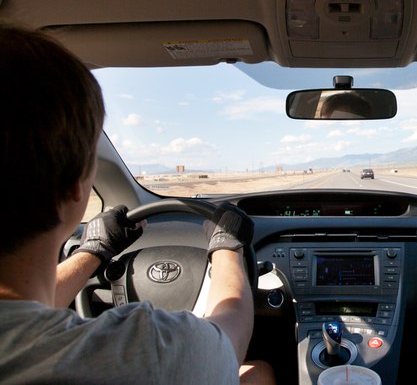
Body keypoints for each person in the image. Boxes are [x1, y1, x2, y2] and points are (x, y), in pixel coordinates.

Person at [0, 23, 275, 384]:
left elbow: (22, 309)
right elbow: (230, 341)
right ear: (73, 187)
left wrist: (92, 252)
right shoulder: (147, 355)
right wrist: (227, 248)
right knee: (258, 372)